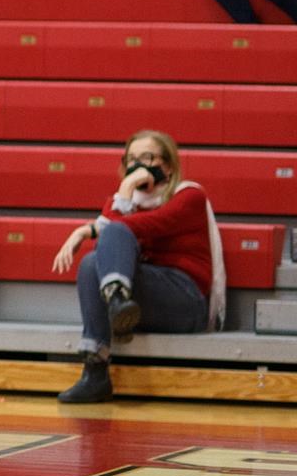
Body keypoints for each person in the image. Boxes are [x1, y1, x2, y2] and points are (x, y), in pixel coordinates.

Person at [50, 131, 222, 403]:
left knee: (115, 231)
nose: (137, 165)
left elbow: (149, 225)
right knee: (90, 263)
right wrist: (125, 193)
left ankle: (117, 300)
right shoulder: (123, 201)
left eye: (147, 157)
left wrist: (86, 230)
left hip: (185, 301)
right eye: (131, 159)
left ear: (168, 165)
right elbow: (107, 245)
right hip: (138, 304)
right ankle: (95, 371)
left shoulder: (189, 196)